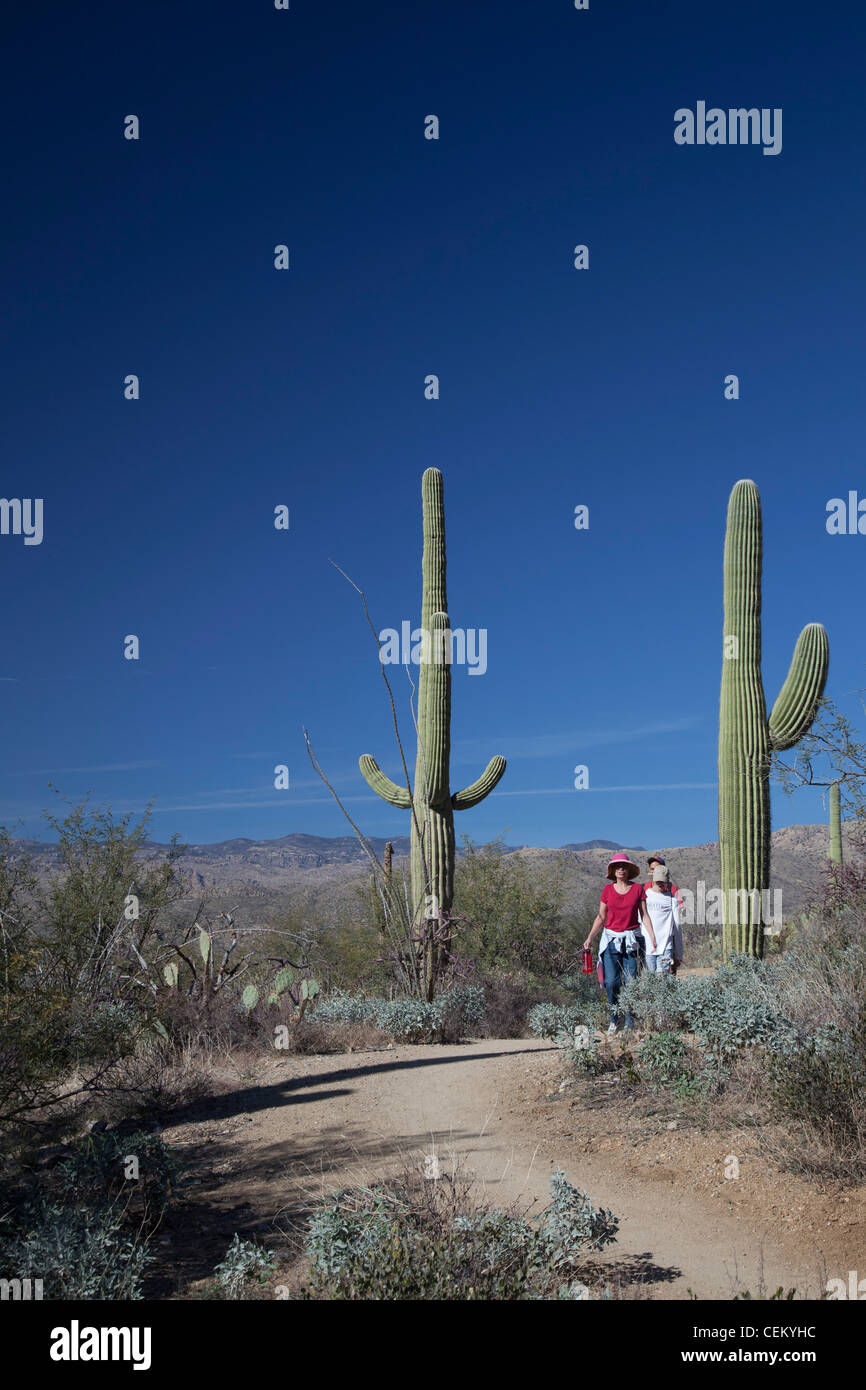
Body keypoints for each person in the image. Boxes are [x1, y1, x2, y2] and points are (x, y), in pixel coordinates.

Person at [583, 852, 656, 1034]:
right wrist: (590, 937)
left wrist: (652, 937)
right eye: (618, 867)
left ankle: (630, 1024)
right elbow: (601, 916)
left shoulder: (638, 889)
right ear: (613, 871)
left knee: (632, 982)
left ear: (629, 870)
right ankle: (614, 1018)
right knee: (611, 982)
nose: (621, 869)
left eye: (624, 866)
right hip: (612, 941)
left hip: (633, 940)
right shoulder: (607, 890)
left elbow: (644, 915)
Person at [643, 864, 683, 975]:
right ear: (653, 879)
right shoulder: (644, 897)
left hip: (666, 946)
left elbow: (677, 927)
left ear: (667, 881)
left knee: (662, 979)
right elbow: (639, 921)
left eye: (663, 881)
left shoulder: (672, 900)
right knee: (650, 981)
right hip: (647, 947)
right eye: (658, 880)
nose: (660, 883)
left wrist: (678, 954)